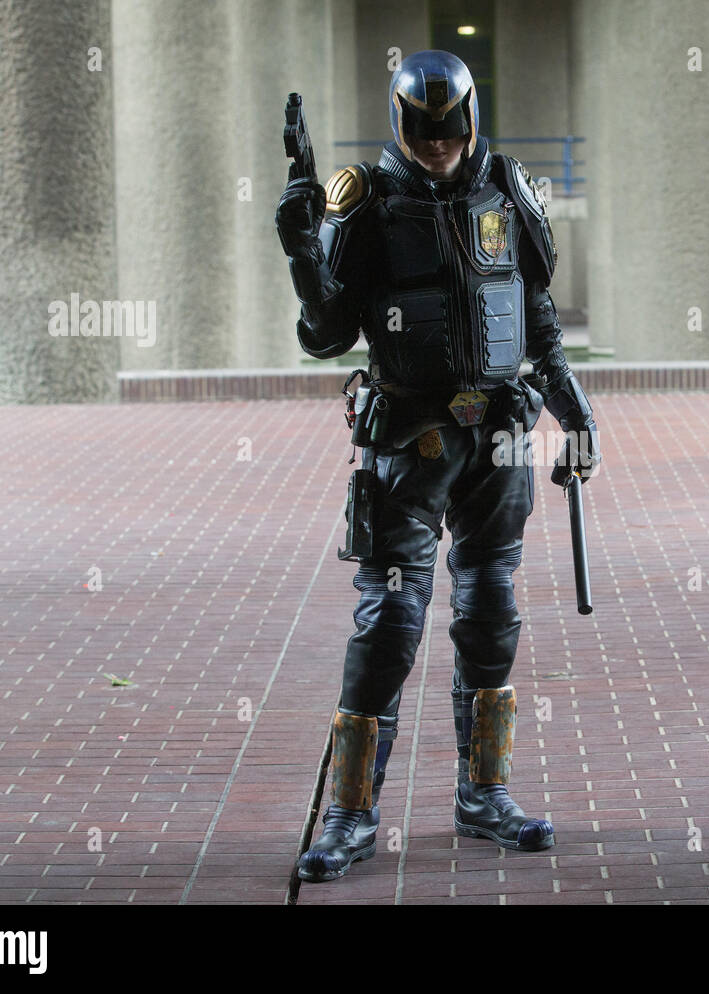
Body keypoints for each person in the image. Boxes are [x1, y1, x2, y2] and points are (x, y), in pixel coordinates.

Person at [274, 50, 599, 882]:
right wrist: (305, 252)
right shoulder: (368, 203)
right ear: (400, 125)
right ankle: (349, 812)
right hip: (406, 442)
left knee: (491, 607)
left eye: (449, 128)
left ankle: (483, 793)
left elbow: (536, 317)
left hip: (496, 438)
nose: (438, 145)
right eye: (423, 130)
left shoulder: (505, 187)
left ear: (470, 119)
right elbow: (325, 335)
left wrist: (574, 411)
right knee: (389, 619)